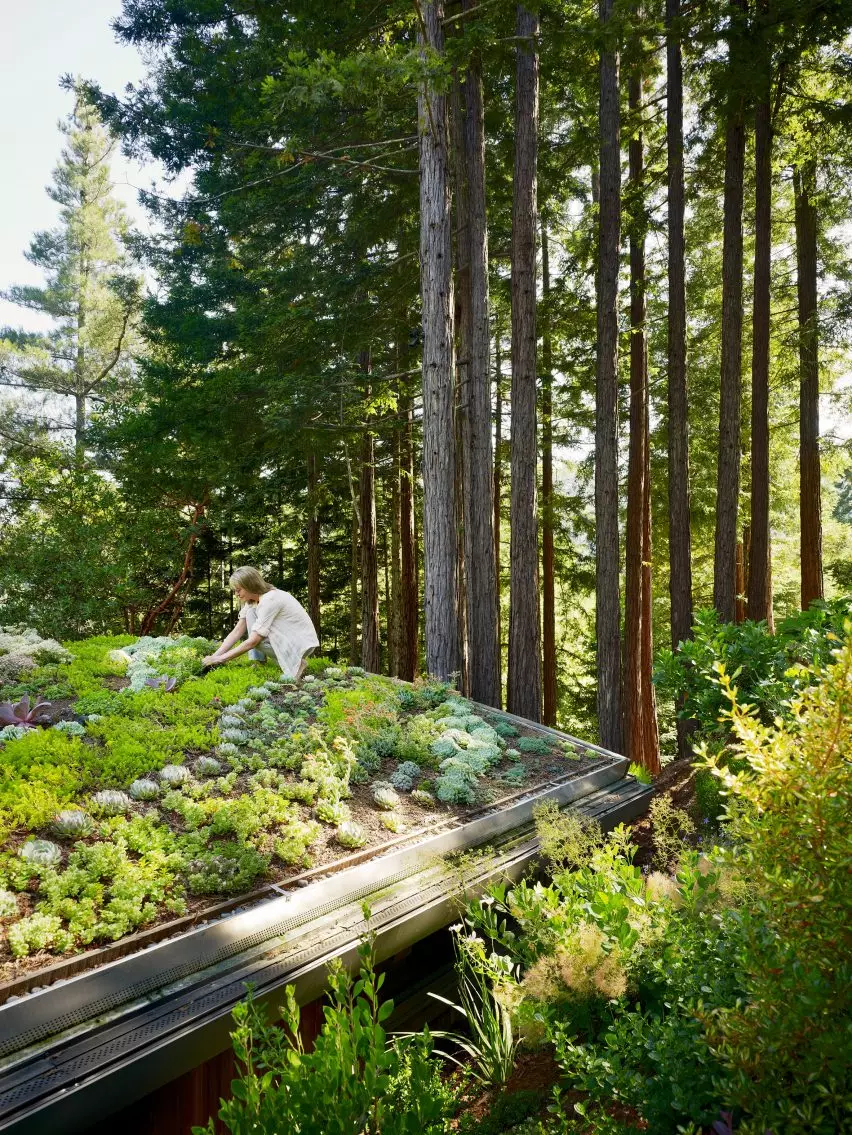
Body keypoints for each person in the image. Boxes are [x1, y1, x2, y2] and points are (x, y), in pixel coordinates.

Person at [202, 567, 319, 679]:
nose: (236, 594)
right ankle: (259, 661)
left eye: (239, 590)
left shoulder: (270, 599)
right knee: (250, 614)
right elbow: (237, 631)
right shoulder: (252, 601)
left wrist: (221, 659)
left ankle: (298, 664)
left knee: (257, 641)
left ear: (250, 585)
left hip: (301, 643)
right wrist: (214, 657)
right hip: (289, 638)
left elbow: (253, 641)